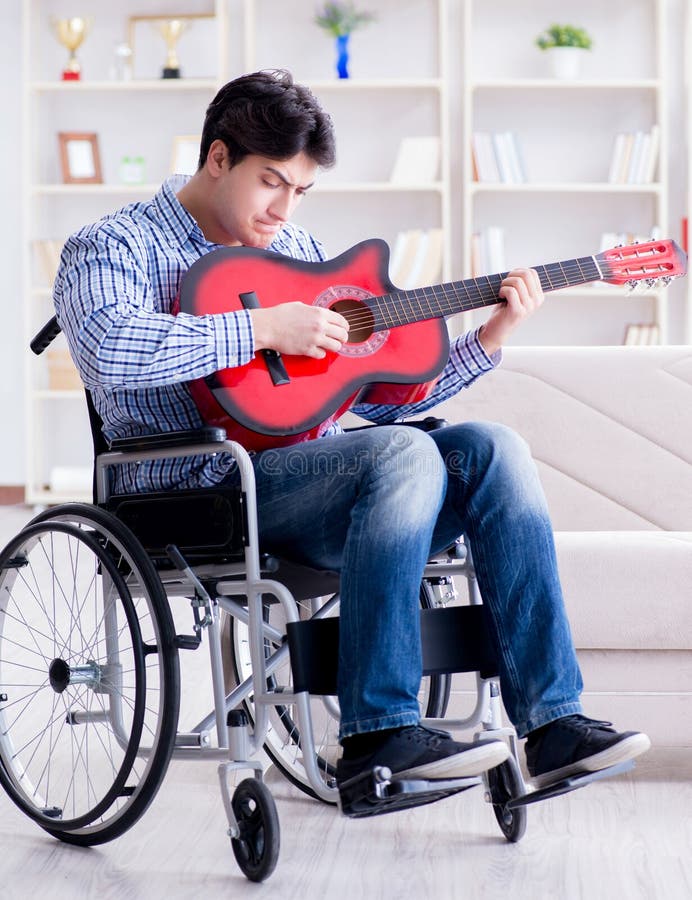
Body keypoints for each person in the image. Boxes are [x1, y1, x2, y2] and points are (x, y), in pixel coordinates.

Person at [54, 69, 650, 791]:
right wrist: (261, 327)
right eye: (272, 181)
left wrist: (488, 340)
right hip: (199, 492)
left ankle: (553, 725)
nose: (285, 207)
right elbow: (109, 345)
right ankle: (380, 735)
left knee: (491, 448)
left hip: (328, 480)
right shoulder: (113, 245)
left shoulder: (295, 248)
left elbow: (365, 405)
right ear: (218, 159)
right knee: (400, 457)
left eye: (301, 189)